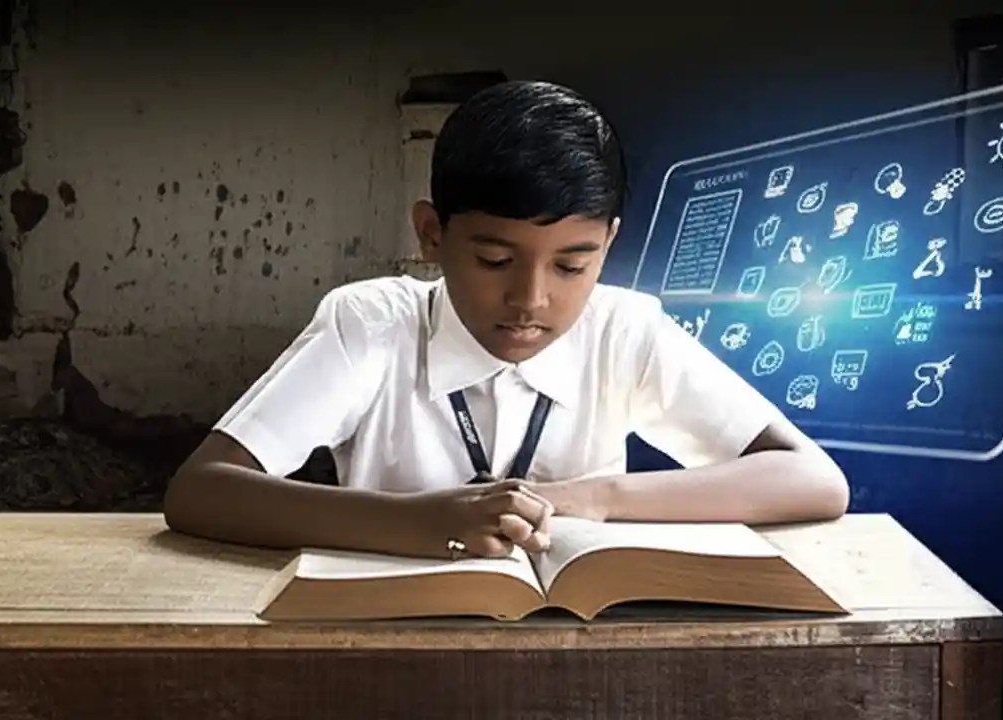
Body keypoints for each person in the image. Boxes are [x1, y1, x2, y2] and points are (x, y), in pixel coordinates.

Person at [163, 80, 848, 560]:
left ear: (607, 244)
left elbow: (812, 480)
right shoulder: (371, 325)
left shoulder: (624, 329)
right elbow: (200, 492)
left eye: (572, 266)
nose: (531, 298)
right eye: (494, 260)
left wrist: (593, 497)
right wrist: (415, 522)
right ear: (432, 234)